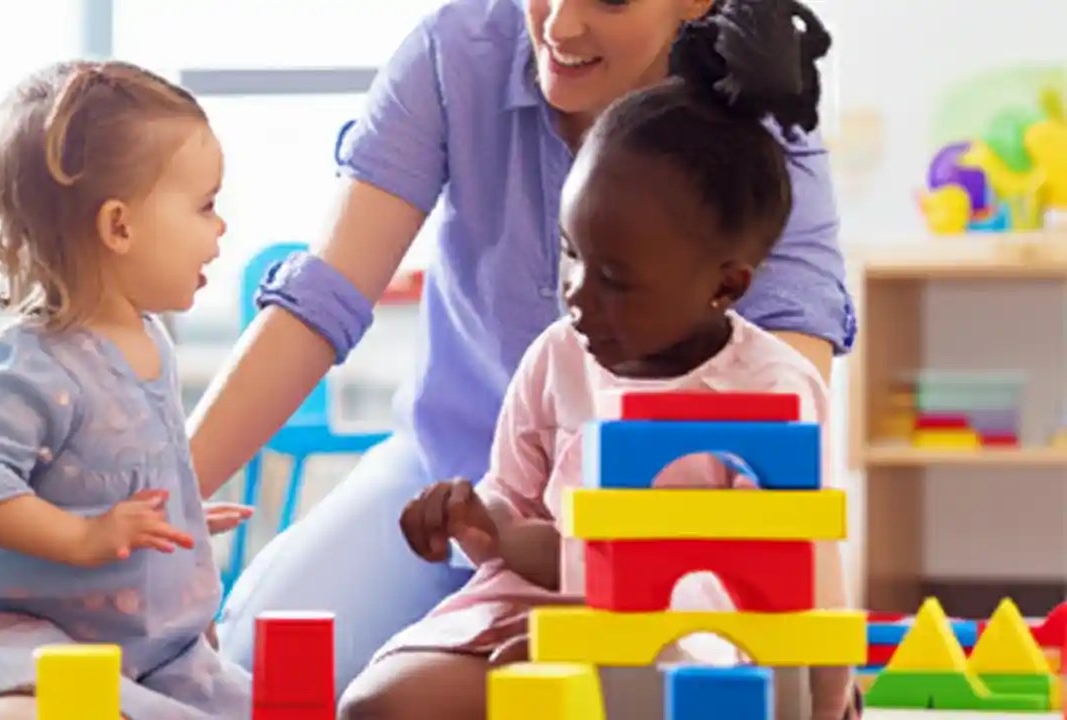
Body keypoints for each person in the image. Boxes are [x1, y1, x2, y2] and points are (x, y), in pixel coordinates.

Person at [197, 0, 855, 694]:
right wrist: (162, 510)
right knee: (257, 675)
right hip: (454, 464)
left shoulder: (760, 138)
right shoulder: (460, 51)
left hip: (669, 533)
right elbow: (323, 294)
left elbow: (775, 476)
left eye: (607, 0)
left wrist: (604, 608)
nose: (560, 27)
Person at [0, 61, 253, 720]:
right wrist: (83, 538)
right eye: (206, 205)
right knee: (30, 706)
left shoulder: (150, 339)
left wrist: (178, 512)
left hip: (141, 644)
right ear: (120, 227)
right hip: (33, 636)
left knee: (252, 704)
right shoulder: (33, 361)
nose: (220, 229)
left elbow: (114, 465)